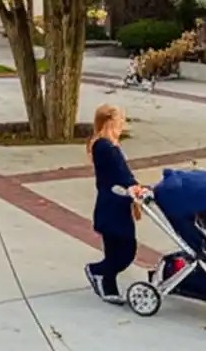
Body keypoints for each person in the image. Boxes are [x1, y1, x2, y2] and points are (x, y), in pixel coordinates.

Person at [85, 104, 143, 305]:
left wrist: (135, 186)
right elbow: (117, 174)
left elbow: (124, 173)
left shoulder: (110, 146)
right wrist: (131, 186)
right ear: (109, 122)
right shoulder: (103, 146)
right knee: (123, 249)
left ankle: (106, 281)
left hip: (119, 203)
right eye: (120, 121)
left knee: (122, 248)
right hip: (112, 205)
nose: (122, 125)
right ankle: (98, 272)